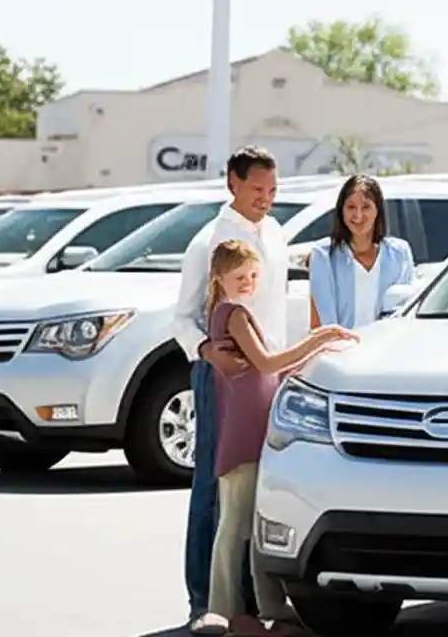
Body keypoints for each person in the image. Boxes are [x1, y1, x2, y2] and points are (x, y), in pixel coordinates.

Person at [193, 240, 357, 637]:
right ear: (220, 278)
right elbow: (267, 363)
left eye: (252, 276)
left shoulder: (235, 313)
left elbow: (271, 373)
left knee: (253, 522)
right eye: (239, 277)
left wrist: (314, 356)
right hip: (242, 432)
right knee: (234, 523)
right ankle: (222, 607)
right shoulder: (231, 314)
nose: (248, 283)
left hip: (257, 427)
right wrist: (316, 339)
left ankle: (269, 605)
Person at [172, 146, 287, 634]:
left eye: (272, 191)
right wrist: (204, 351)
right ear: (232, 184)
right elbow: (181, 316)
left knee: (254, 489)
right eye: (257, 189)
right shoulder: (210, 241)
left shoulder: (276, 234)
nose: (265, 199)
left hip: (267, 375)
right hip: (220, 377)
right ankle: (205, 602)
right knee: (212, 486)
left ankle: (247, 602)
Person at [308, 175, 417, 329]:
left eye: (366, 207)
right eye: (351, 207)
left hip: (388, 348)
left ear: (377, 210)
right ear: (341, 211)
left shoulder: (399, 253)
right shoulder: (323, 255)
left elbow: (406, 310)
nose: (358, 215)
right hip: (341, 348)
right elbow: (323, 323)